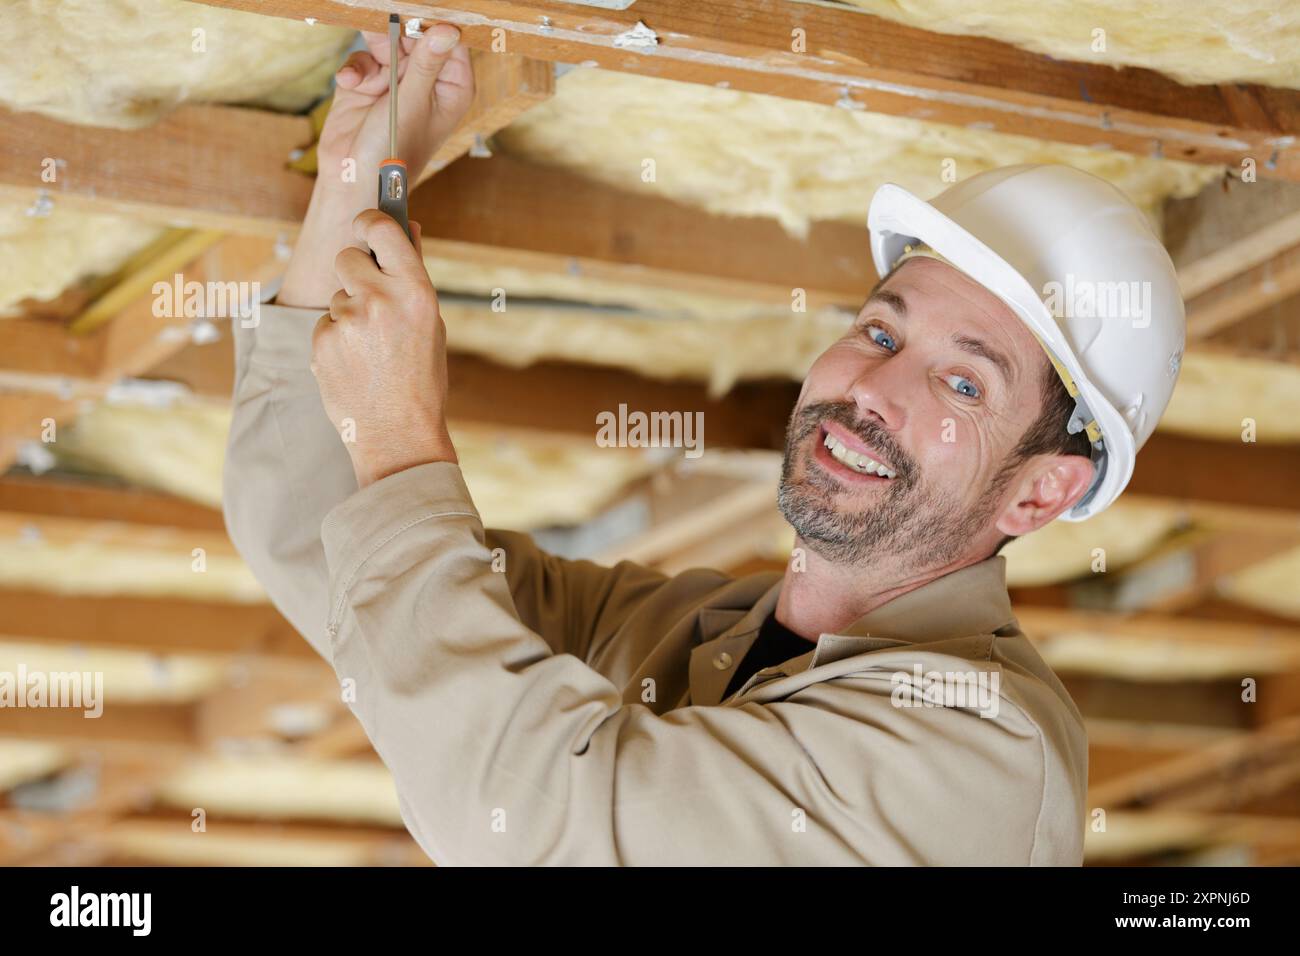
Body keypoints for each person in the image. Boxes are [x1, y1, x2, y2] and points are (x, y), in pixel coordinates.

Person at [224, 22, 1185, 865]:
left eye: (963, 383)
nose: (871, 392)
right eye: (880, 334)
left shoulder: (979, 748)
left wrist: (400, 432)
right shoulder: (680, 635)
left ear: (1038, 495)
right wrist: (351, 192)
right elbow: (325, 538)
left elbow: (527, 823)